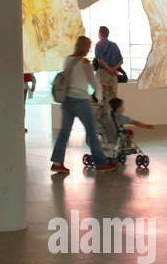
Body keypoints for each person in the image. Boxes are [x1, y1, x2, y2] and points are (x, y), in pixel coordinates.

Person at [50, 36, 118, 174]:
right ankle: (101, 163)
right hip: (81, 101)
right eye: (88, 46)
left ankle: (57, 163)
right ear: (85, 47)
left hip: (67, 101)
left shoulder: (68, 59)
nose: (89, 49)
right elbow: (94, 83)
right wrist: (99, 99)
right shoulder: (85, 62)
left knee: (64, 133)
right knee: (92, 133)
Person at [92, 26, 123, 106]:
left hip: (102, 73)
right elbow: (121, 61)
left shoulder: (98, 45)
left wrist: (108, 69)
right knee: (113, 96)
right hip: (113, 74)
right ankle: (113, 115)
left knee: (103, 96)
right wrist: (113, 69)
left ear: (100, 34)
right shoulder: (114, 45)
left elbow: (100, 60)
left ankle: (104, 115)